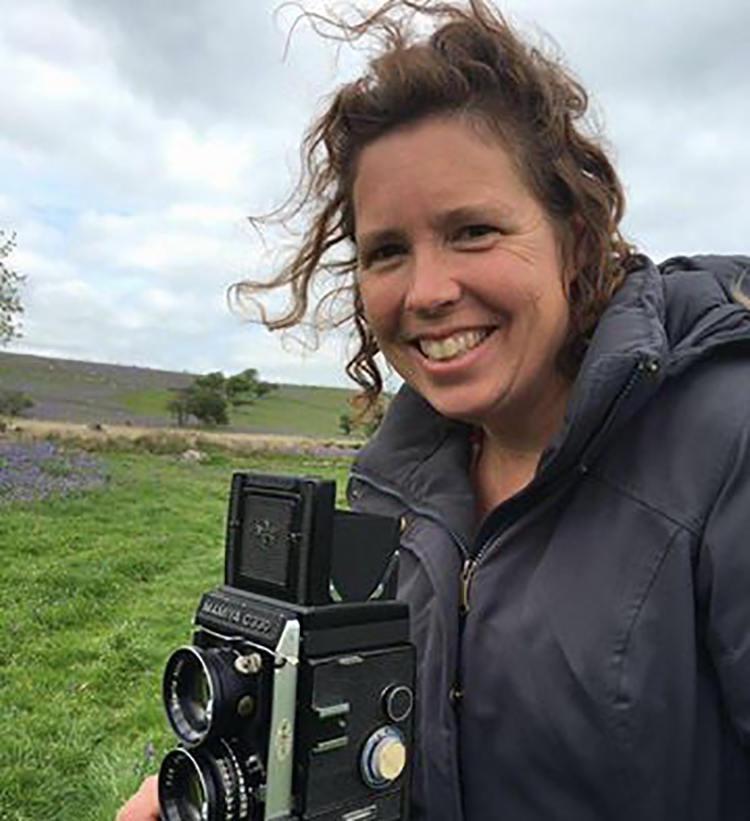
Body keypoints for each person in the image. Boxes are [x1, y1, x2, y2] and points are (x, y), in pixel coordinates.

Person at [118, 1, 750, 819]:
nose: (427, 292)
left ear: (575, 232)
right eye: (387, 251)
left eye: (475, 230)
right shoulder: (398, 480)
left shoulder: (725, 439)